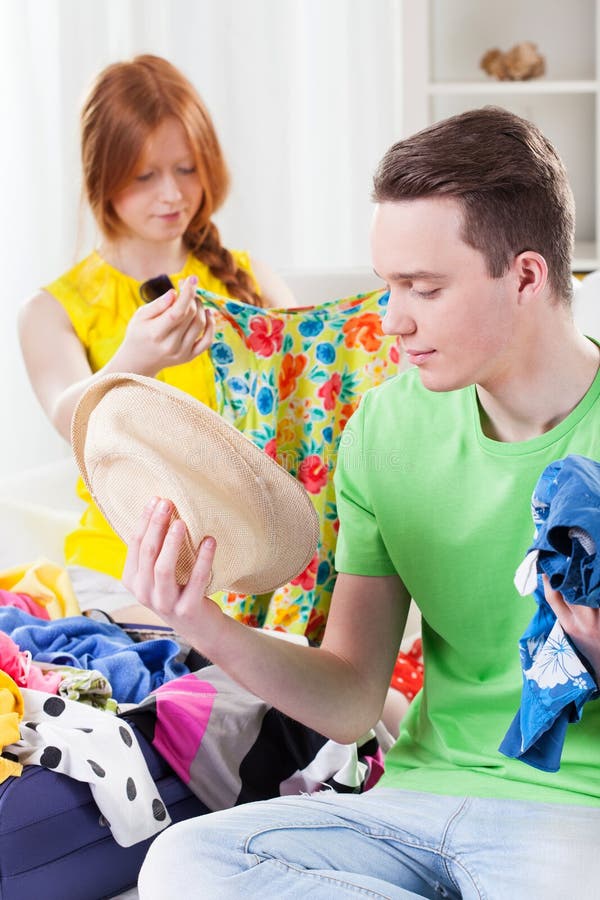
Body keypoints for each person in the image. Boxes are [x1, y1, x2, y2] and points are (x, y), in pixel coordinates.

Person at [126, 105, 600, 898]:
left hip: (573, 821)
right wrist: (198, 619)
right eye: (388, 287)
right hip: (413, 802)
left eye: (423, 288)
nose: (393, 321)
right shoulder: (386, 427)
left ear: (525, 276)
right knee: (184, 864)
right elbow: (351, 698)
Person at [18, 54, 296, 583]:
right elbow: (66, 418)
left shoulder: (248, 277)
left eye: (186, 169)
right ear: (103, 177)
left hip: (253, 566)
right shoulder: (53, 309)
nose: (172, 194)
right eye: (144, 176)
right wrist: (134, 360)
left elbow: (308, 385)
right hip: (121, 566)